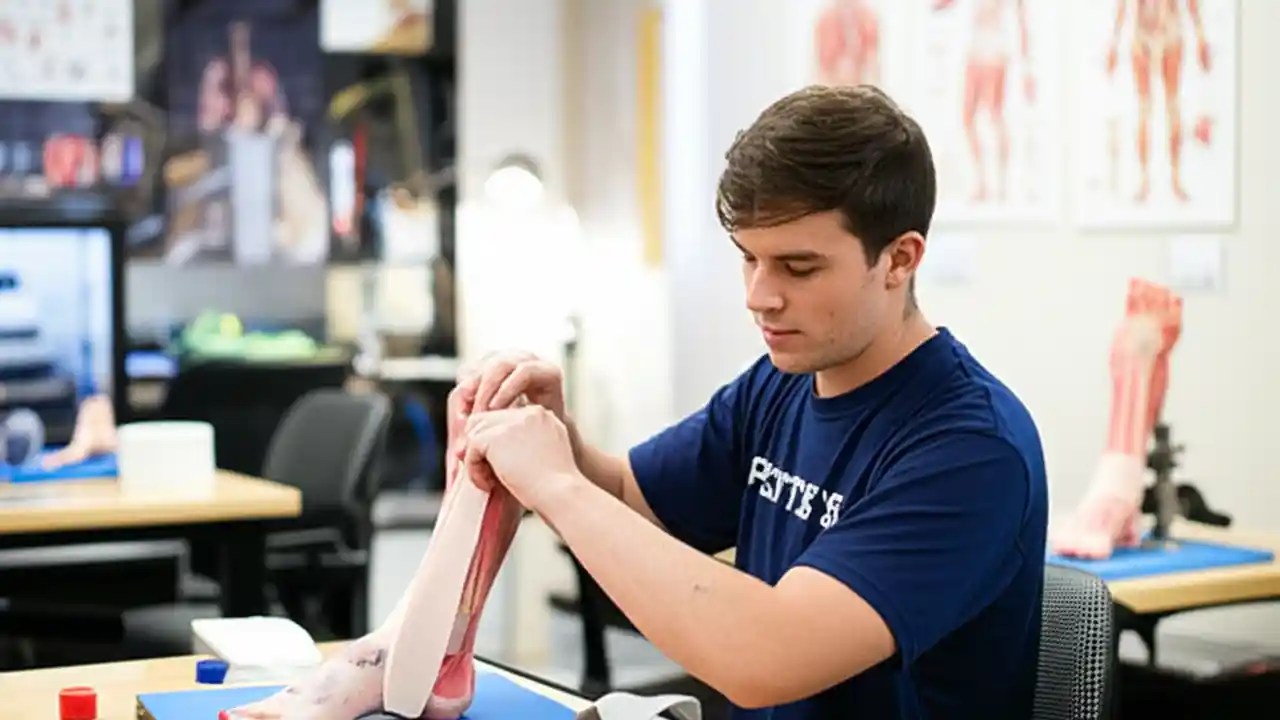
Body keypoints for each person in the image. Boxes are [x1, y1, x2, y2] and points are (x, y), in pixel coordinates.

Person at [459, 85, 1049, 718]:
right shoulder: (781, 382)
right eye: (749, 259)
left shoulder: (972, 449)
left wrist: (555, 484)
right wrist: (559, 442)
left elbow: (765, 659)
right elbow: (635, 499)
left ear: (899, 259)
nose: (759, 296)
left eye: (798, 268)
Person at [1106, 0, 1210, 203]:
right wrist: (1114, 44)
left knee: (1172, 107)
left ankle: (1175, 179)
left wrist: (1201, 37)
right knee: (1144, 109)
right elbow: (1122, 5)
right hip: (1142, 33)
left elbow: (1191, 3)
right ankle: (1144, 180)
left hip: (1169, 29)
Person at [934, 0, 1036, 203]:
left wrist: (1027, 68)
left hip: (992, 50)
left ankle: (999, 182)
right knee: (970, 116)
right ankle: (985, 181)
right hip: (979, 48)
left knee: (993, 115)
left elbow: (1022, 21)